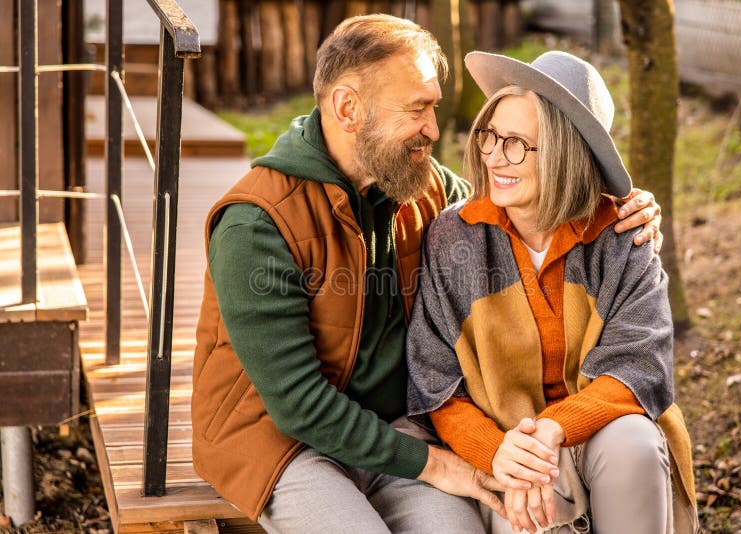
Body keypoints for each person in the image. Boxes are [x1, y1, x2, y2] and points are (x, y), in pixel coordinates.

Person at [192, 15, 664, 533]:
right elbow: (298, 404)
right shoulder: (256, 225)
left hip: (401, 431)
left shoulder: (423, 188)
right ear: (348, 109)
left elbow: (522, 195)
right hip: (284, 444)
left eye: (434, 107)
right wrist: (438, 465)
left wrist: (620, 208)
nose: (435, 129)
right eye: (417, 109)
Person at [406, 50, 698, 534]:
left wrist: (553, 428)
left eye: (517, 144)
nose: (494, 157)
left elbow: (639, 365)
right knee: (524, 500)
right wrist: (502, 453)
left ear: (566, 154)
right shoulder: (454, 239)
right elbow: (435, 383)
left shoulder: (623, 236)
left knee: (635, 442)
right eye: (490, 136)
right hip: (504, 445)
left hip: (597, 434)